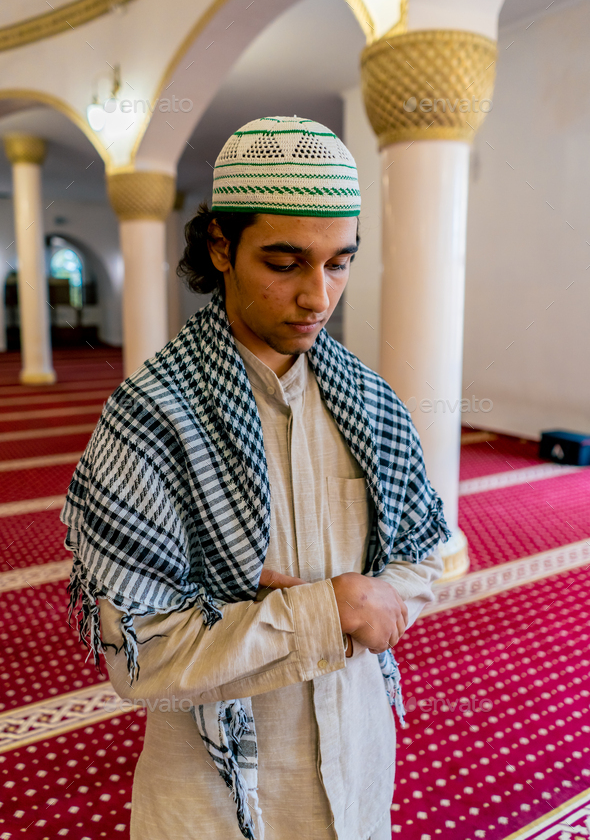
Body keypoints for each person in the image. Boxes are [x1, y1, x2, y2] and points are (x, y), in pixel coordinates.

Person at [61, 116, 449, 840]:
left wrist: (352, 598)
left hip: (360, 771)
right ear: (221, 245)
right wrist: (326, 608)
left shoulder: (371, 402)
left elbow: (428, 553)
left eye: (339, 262)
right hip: (215, 803)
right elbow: (141, 658)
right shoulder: (150, 420)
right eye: (285, 262)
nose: (318, 297)